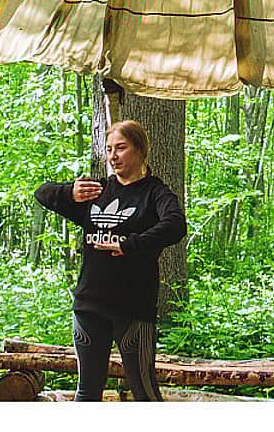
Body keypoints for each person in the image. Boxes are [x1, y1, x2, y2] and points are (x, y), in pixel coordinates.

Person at [34, 119, 188, 401]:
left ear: (140, 150)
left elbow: (176, 225)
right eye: (108, 149)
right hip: (89, 307)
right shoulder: (98, 191)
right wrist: (69, 192)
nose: (113, 156)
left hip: (132, 309)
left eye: (121, 148)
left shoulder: (154, 193)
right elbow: (42, 193)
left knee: (144, 392)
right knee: (87, 393)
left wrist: (130, 244)